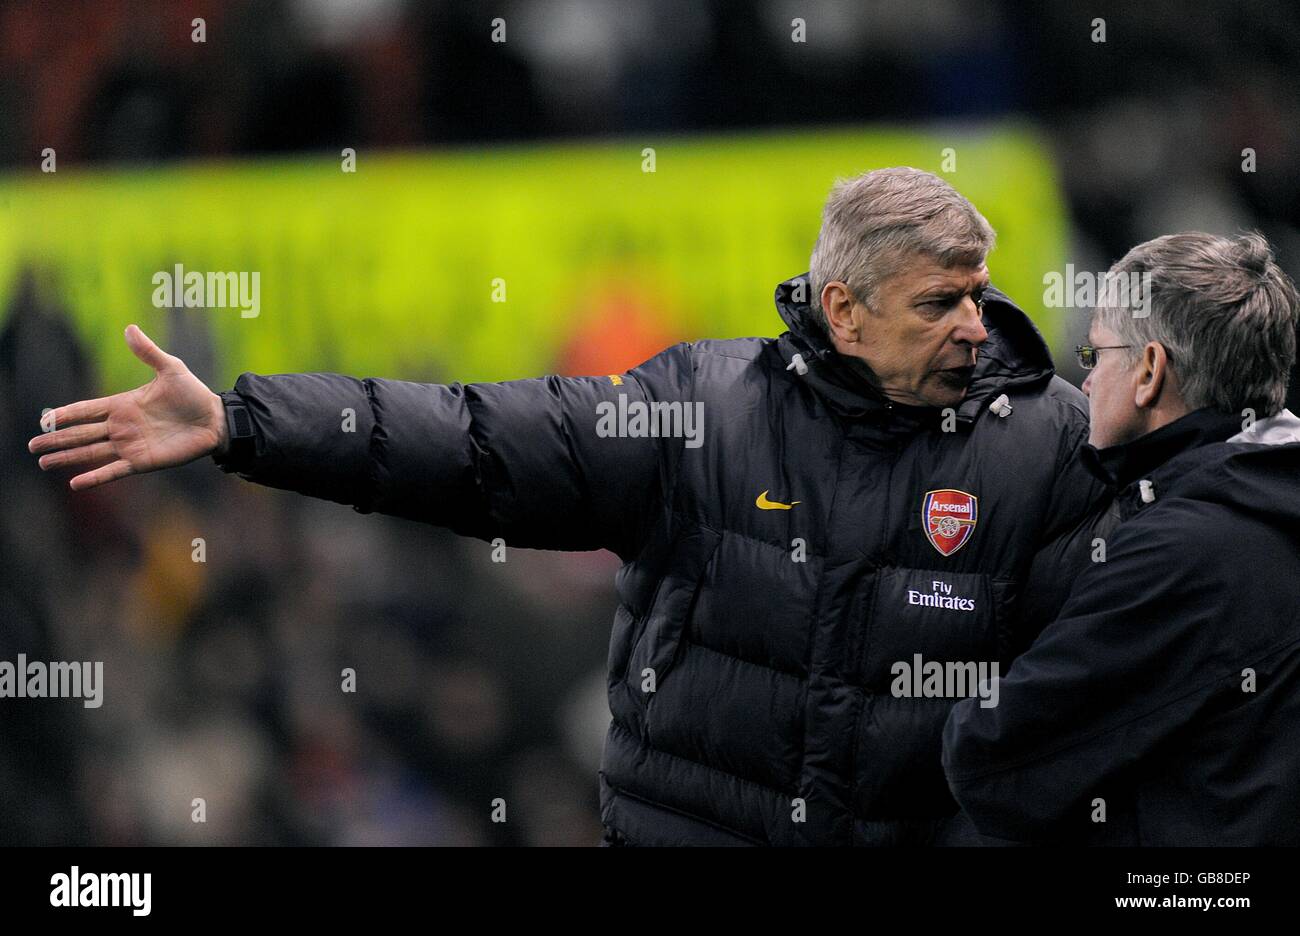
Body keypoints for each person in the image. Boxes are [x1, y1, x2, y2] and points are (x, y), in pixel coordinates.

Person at [30, 167, 1104, 845]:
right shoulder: (698, 413)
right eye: (940, 302)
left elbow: (1099, 687)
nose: (975, 324)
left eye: (978, 295)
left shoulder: (1047, 442)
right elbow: (469, 437)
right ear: (844, 311)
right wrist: (241, 421)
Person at [943, 231, 1300, 845]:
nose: (1084, 384)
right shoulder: (1268, 502)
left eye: (1095, 356)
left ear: (1149, 369)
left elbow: (990, 753)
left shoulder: (1182, 551)